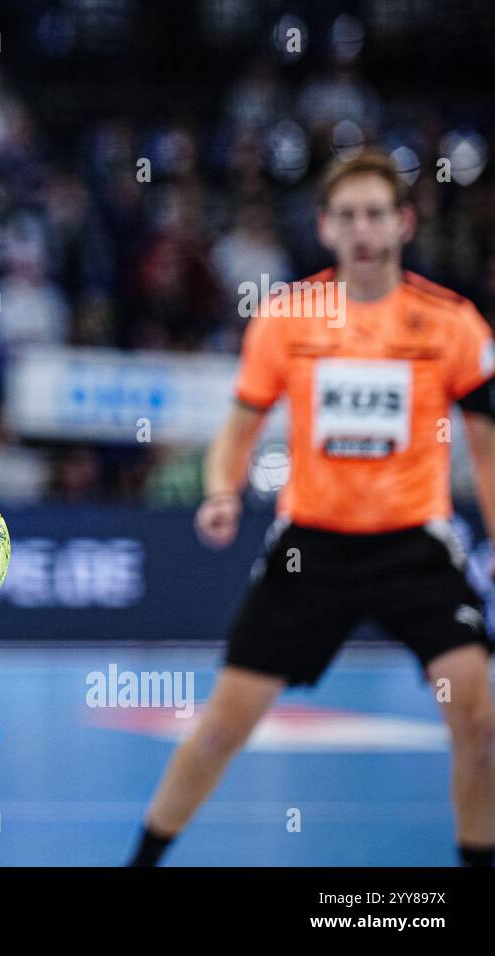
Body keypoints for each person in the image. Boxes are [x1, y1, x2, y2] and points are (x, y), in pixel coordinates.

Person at [130, 150, 495, 867]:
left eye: (377, 214)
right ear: (327, 227)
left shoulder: (453, 325)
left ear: (404, 224)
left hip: (416, 549)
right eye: (349, 216)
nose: (364, 229)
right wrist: (220, 494)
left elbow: (485, 452)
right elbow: (238, 430)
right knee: (219, 730)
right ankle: (141, 861)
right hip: (311, 551)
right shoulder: (287, 319)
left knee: (479, 720)